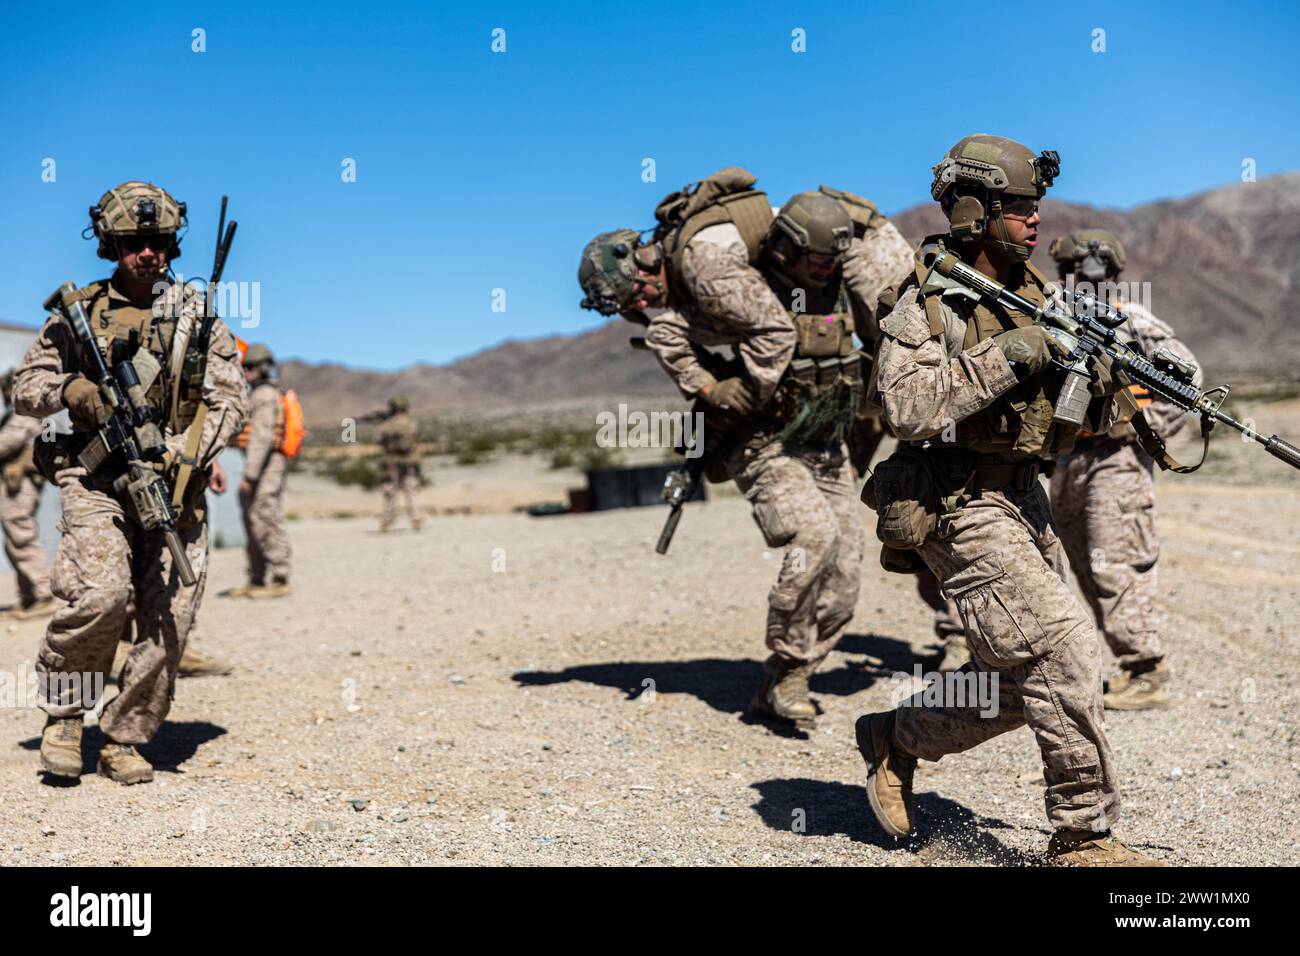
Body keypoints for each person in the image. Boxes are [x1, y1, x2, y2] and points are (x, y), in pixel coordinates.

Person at [855, 136, 1159, 864]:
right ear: (973, 212)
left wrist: (1106, 383)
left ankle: (898, 737)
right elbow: (907, 407)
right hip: (955, 501)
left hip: (1025, 498)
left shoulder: (1038, 295)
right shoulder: (929, 301)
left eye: (1035, 208)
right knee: (1061, 646)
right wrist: (1016, 353)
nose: (1035, 223)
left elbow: (1062, 422)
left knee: (1024, 682)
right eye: (1020, 208)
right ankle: (1082, 835)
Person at [579, 169, 912, 729]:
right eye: (628, 308)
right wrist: (715, 391)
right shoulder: (678, 315)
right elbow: (673, 342)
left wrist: (757, 388)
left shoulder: (709, 270)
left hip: (820, 436)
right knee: (813, 537)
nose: (641, 307)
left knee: (846, 572)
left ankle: (786, 673)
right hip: (761, 444)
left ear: (639, 260)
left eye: (636, 294)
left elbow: (778, 335)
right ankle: (789, 677)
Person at [15, 181, 245, 783]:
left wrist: (186, 452)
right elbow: (24, 388)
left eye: (161, 241)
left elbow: (229, 402)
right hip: (95, 476)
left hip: (176, 483)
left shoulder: (198, 317)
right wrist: (71, 390)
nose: (150, 253)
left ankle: (125, 733)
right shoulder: (79, 313)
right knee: (100, 595)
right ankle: (65, 716)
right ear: (112, 244)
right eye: (135, 242)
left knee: (171, 616)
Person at [1048, 230, 1201, 710]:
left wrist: (1142, 427)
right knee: (1083, 562)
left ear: (1113, 275)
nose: (1085, 282)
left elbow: (1189, 377)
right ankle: (1125, 663)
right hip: (1069, 459)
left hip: (1117, 460)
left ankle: (1146, 670)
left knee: (1117, 561)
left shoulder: (1133, 320)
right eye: (1075, 273)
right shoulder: (1052, 316)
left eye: (1095, 274)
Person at [229, 344, 292, 598]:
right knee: (252, 517)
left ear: (264, 368)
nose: (246, 372)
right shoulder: (255, 394)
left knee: (266, 514)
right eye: (244, 367)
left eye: (251, 367)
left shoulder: (265, 395)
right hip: (258, 464)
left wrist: (250, 475)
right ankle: (256, 577)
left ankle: (280, 576)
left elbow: (262, 437)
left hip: (267, 464)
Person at [0, 369, 54, 619]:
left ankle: (42, 594)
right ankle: (30, 598)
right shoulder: (26, 414)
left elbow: (5, 444)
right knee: (15, 540)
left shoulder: (25, 416)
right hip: (16, 486)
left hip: (20, 486)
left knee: (21, 537)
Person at [378, 397, 422, 532]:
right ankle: (416, 518)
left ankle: (387, 521)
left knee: (390, 491)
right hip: (409, 460)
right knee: (411, 489)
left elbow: (381, 441)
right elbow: (416, 438)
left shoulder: (386, 425)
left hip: (392, 461)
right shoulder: (412, 423)